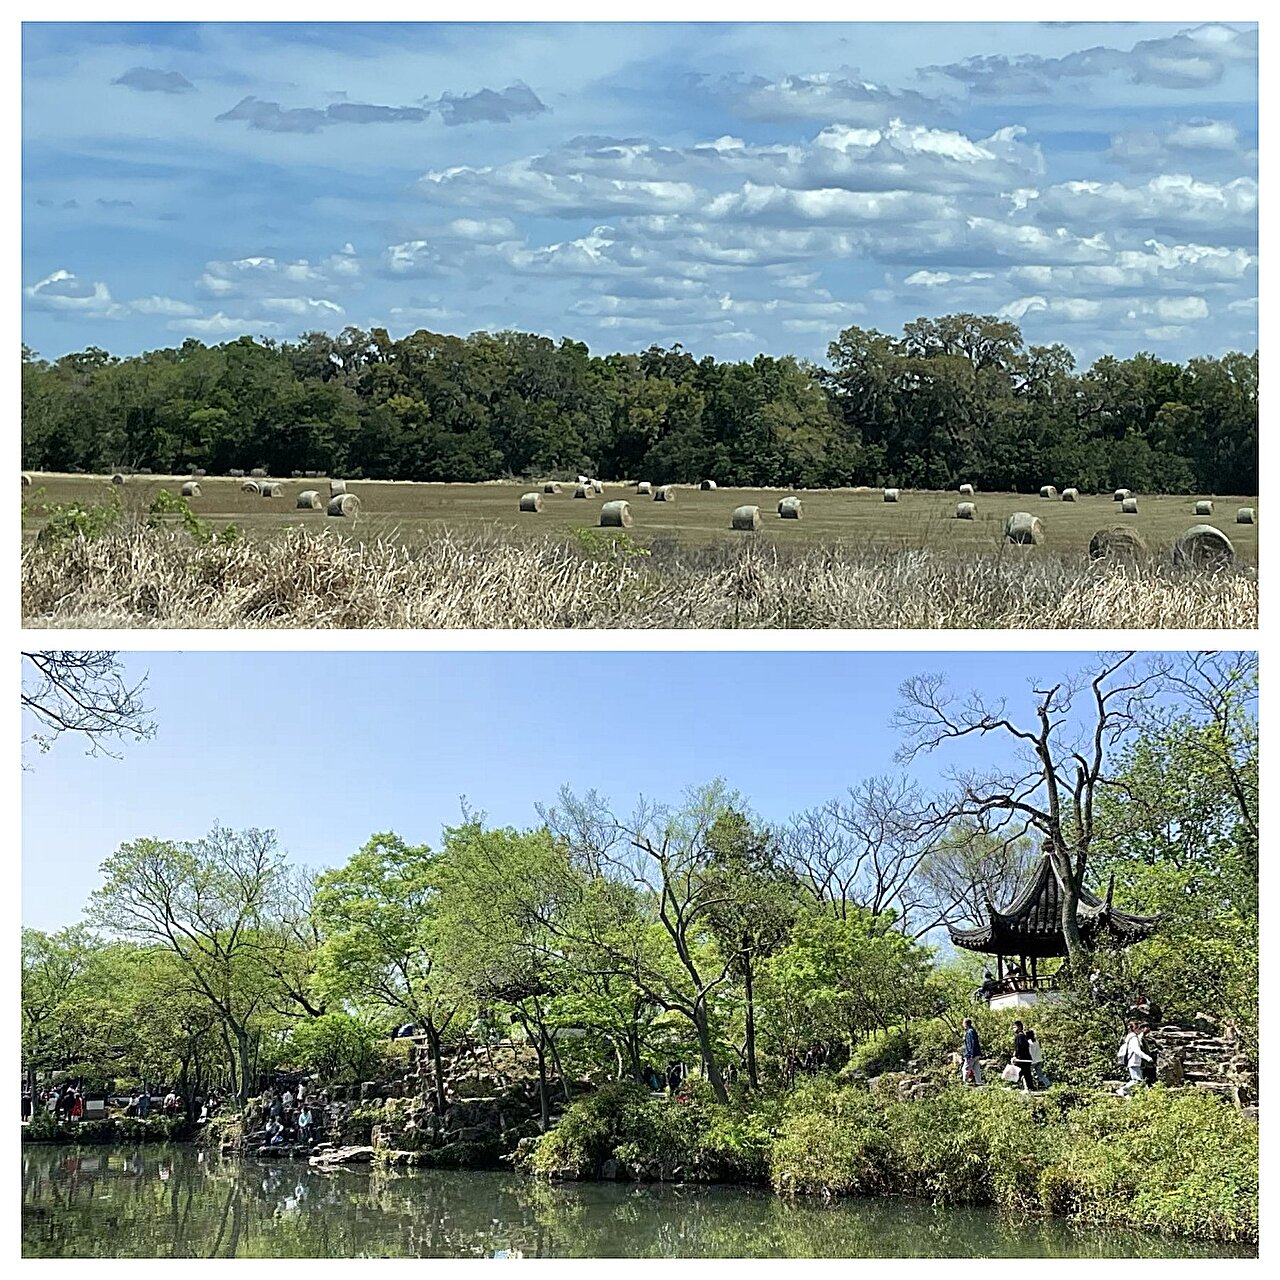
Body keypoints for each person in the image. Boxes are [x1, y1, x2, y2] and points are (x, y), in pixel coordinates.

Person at [1117, 1021, 1153, 1092]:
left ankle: (1140, 1095)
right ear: (1133, 1029)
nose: (1139, 1029)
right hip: (1133, 1062)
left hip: (1135, 1062)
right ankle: (1122, 1090)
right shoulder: (1133, 1038)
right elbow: (1137, 1050)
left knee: (1140, 1081)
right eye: (1137, 1028)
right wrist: (1148, 1058)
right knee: (1137, 1081)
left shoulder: (1133, 1037)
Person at [1011, 1021, 1036, 1091]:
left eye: (1014, 1027)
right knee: (1027, 1074)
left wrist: (1015, 1056)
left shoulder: (1019, 1036)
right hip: (1027, 1058)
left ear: (1019, 1027)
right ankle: (1029, 1087)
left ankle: (1019, 1086)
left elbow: (1019, 1047)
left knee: (1017, 1072)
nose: (1013, 1029)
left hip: (1022, 1059)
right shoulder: (1025, 1036)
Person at [961, 1017, 983, 1086]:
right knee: (976, 1069)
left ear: (965, 1024)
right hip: (976, 1053)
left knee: (965, 1068)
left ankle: (965, 1082)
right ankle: (979, 1082)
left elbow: (971, 1043)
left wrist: (970, 1054)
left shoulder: (970, 1032)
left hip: (971, 1054)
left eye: (963, 1023)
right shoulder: (972, 1030)